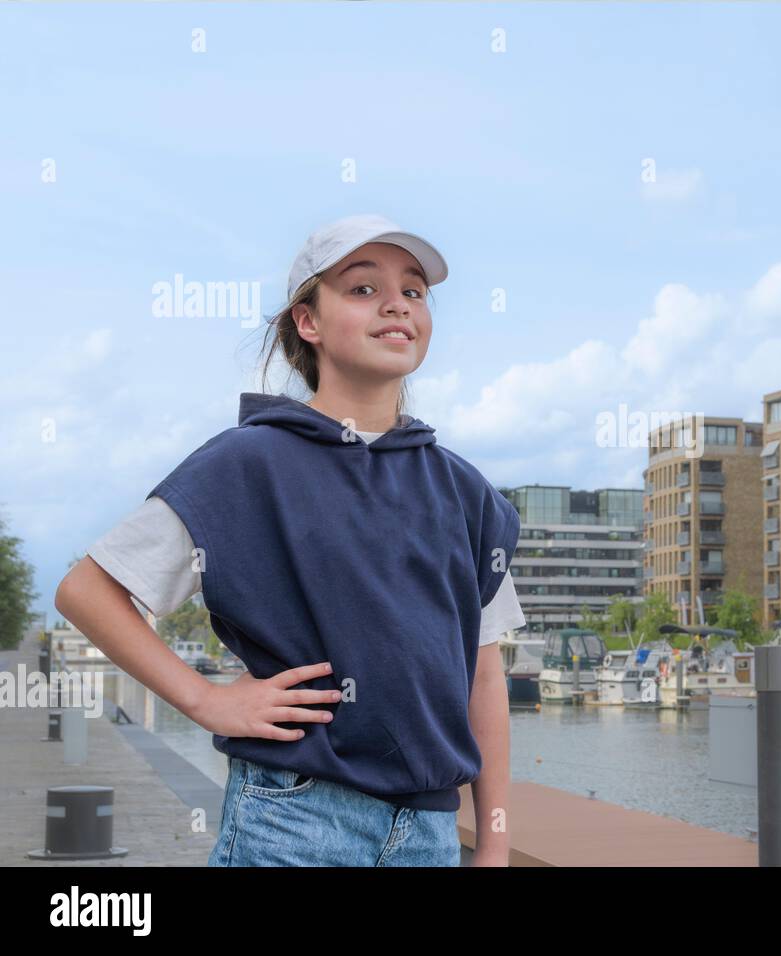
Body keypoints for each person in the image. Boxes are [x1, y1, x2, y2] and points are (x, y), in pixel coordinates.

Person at [54, 214, 524, 866]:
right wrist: (207, 700)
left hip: (431, 836)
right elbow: (86, 589)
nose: (396, 303)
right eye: (363, 289)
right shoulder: (248, 466)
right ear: (308, 322)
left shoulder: (468, 495)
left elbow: (482, 672)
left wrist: (495, 841)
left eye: (413, 291)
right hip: (294, 822)